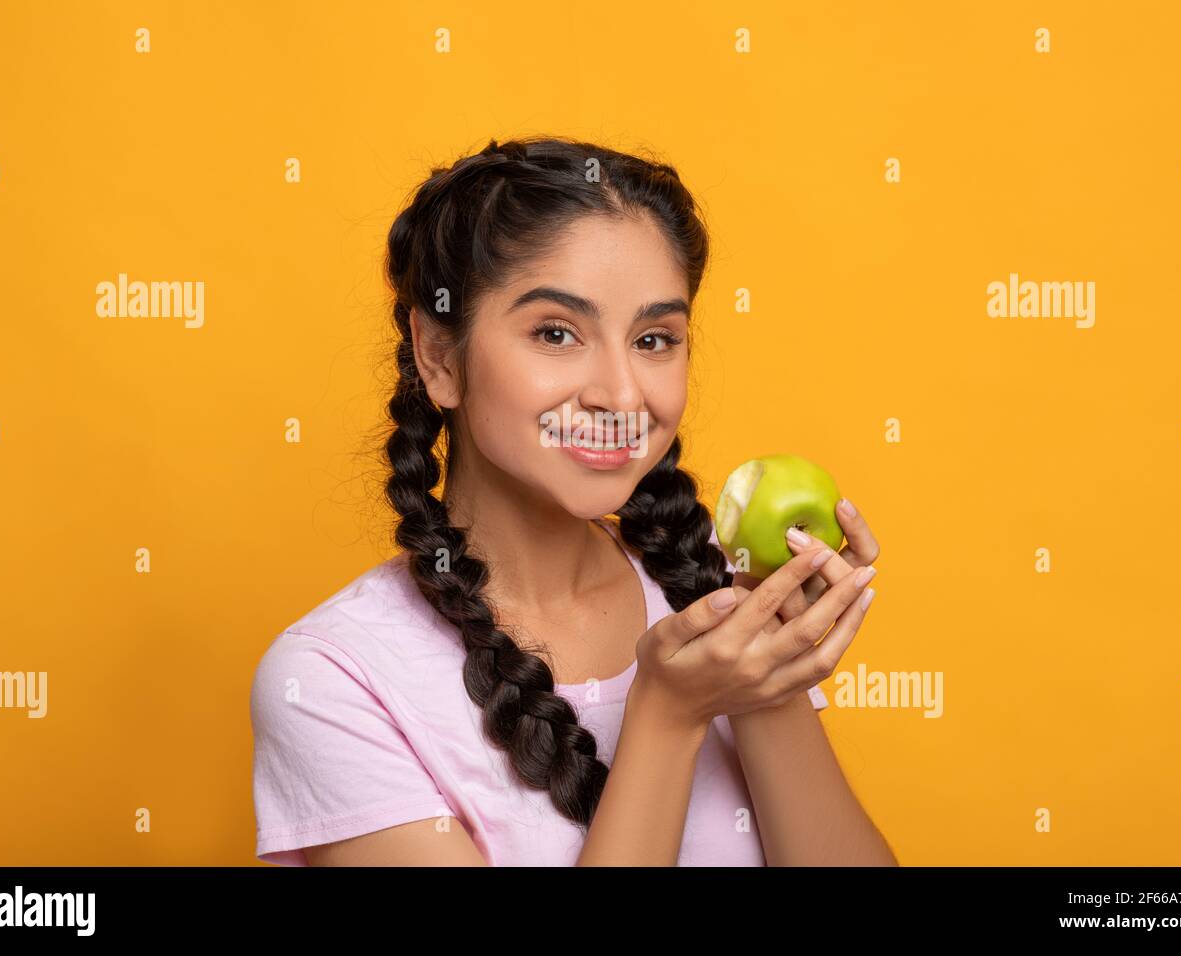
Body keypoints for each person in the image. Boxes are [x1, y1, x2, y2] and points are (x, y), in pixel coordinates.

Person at [250, 136, 896, 866]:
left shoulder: (714, 588)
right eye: (557, 333)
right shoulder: (334, 680)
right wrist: (667, 713)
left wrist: (767, 679)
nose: (622, 394)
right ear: (439, 355)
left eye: (654, 339)